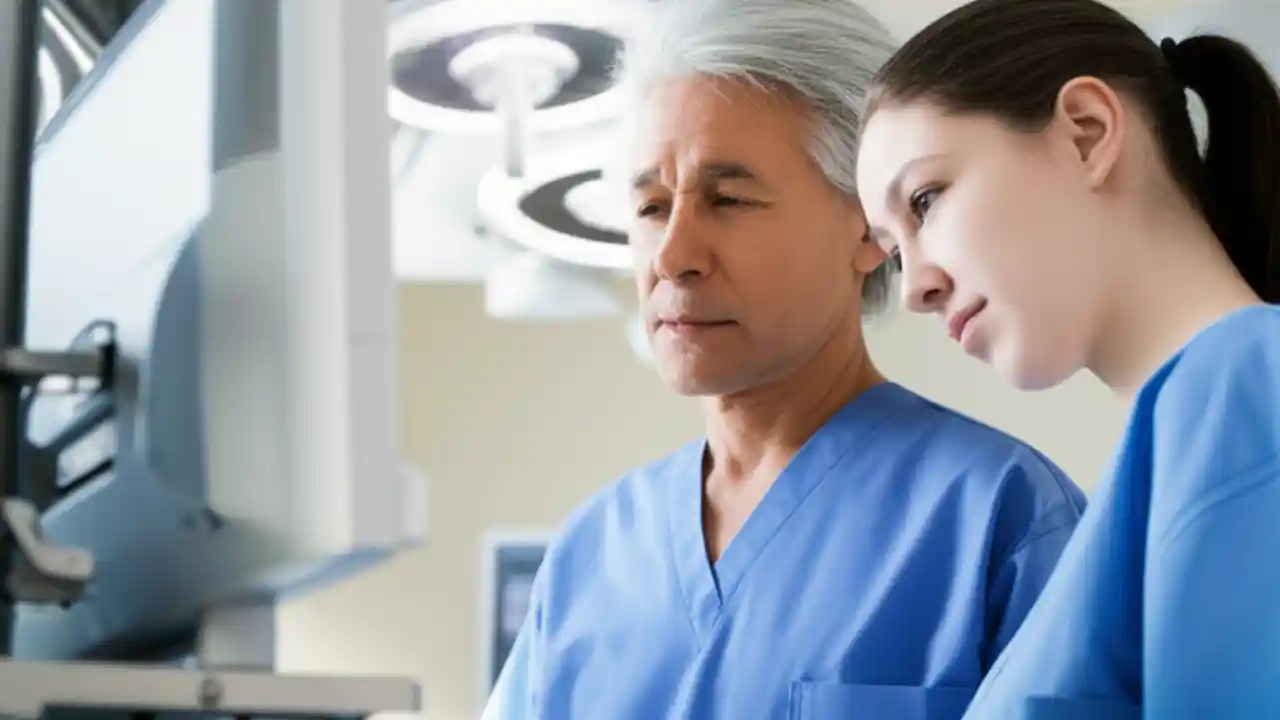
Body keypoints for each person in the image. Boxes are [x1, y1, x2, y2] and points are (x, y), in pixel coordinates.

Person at [481, 1, 1086, 717]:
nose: (672, 257)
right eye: (650, 208)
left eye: (728, 199)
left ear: (870, 226)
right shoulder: (591, 554)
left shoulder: (997, 519)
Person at [855, 0, 1280, 717]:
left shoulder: (1237, 383)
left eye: (926, 200)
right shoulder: (1180, 440)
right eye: (895, 256)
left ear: (1086, 133)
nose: (917, 287)